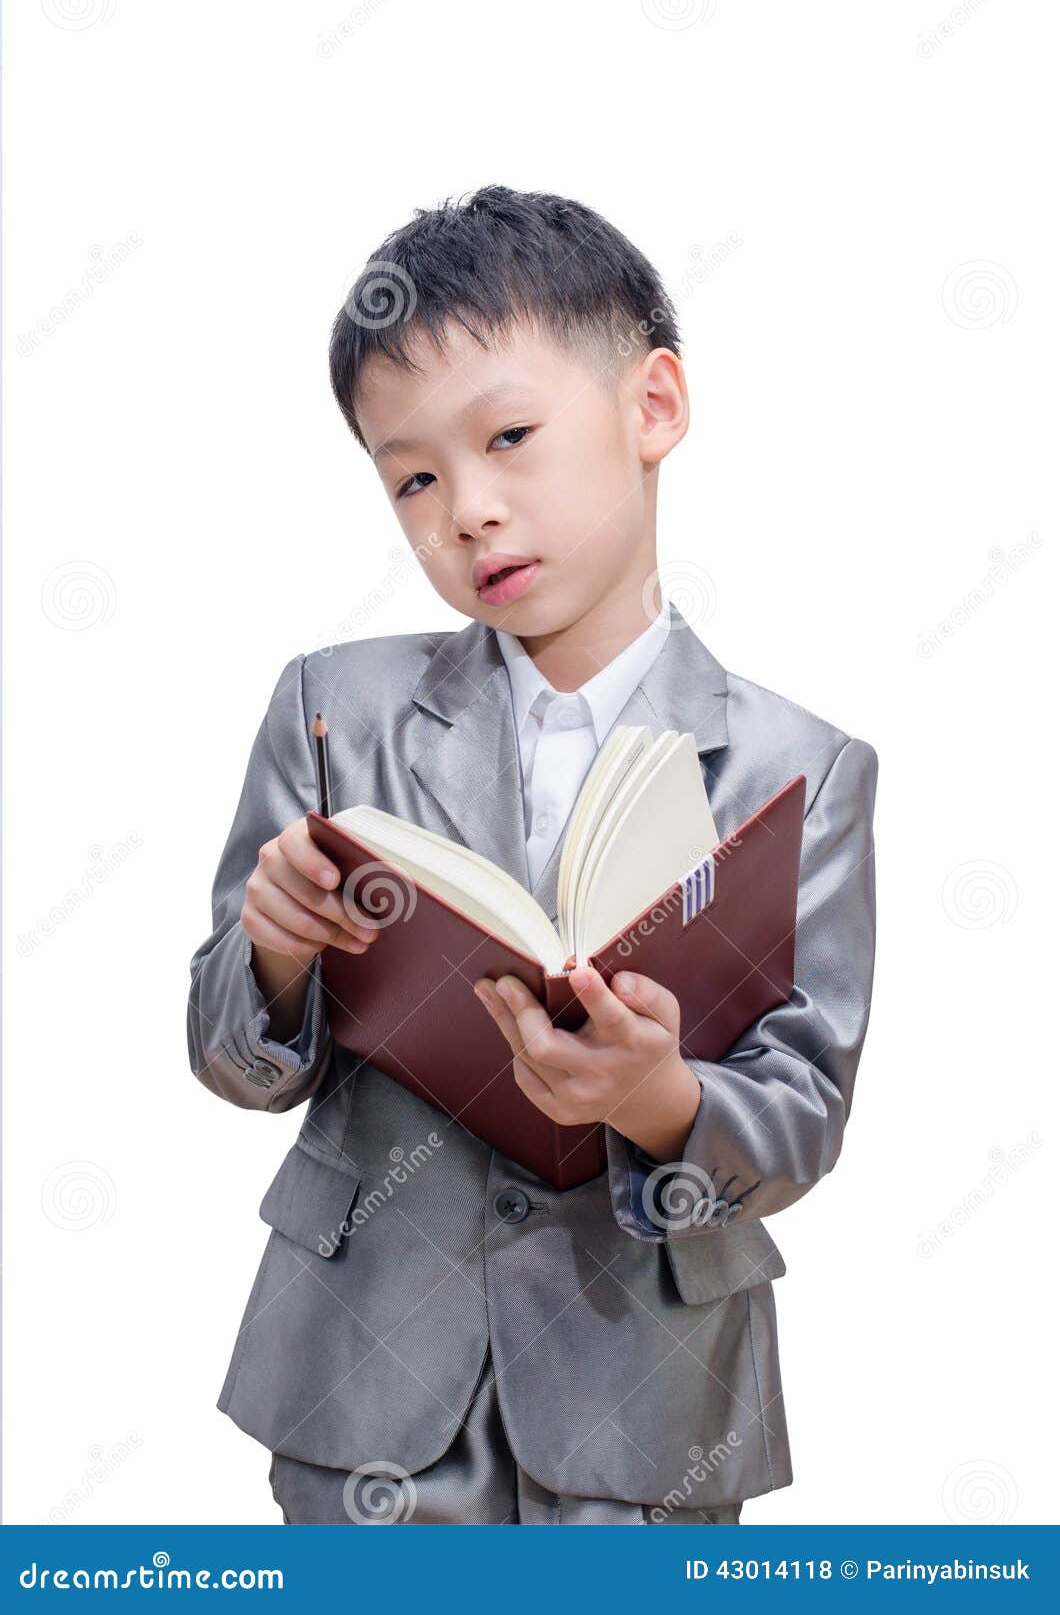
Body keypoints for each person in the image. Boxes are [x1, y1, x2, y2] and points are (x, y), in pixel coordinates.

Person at [186, 184, 878, 1525]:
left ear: (652, 408)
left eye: (510, 435)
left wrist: (660, 1094)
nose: (470, 510)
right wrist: (273, 952)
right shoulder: (337, 710)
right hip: (366, 1385)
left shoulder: (808, 770)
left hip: (646, 1403)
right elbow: (226, 1053)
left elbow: (803, 1115)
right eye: (416, 479)